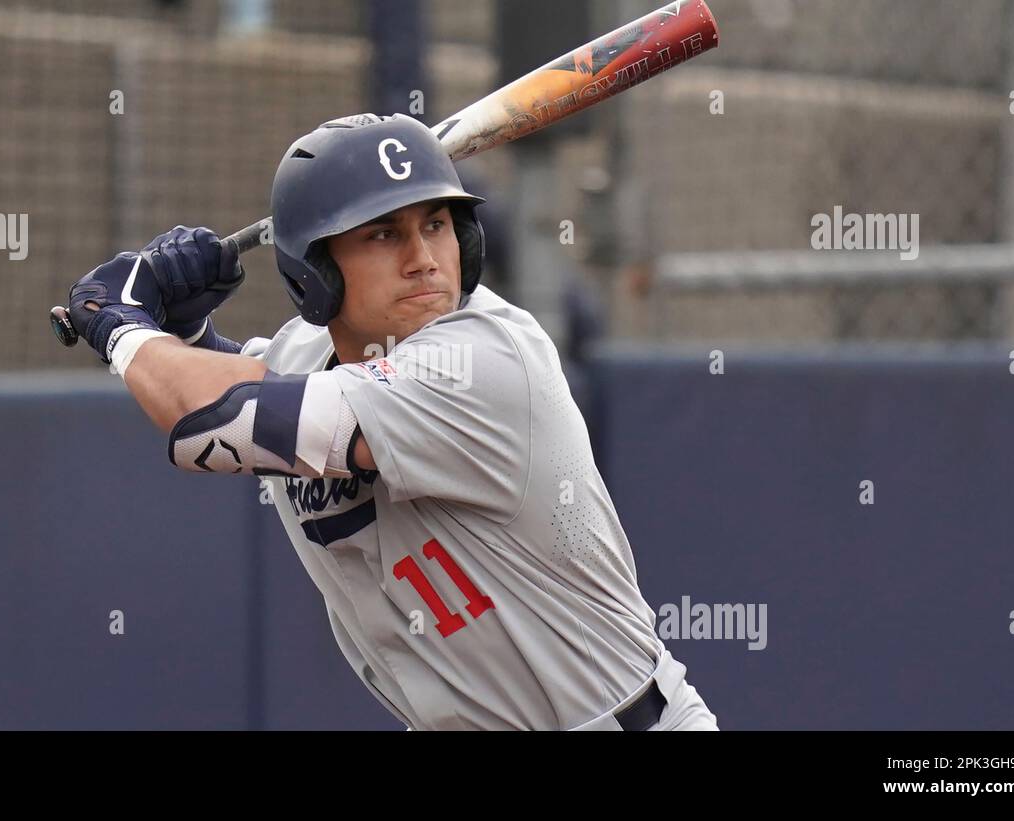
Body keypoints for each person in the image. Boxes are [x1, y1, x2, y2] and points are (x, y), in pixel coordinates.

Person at [65, 113, 717, 731]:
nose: (423, 258)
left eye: (437, 224)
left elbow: (217, 417)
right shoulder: (309, 354)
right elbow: (231, 380)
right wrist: (186, 328)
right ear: (315, 274)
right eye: (382, 233)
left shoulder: (480, 364)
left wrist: (122, 327)